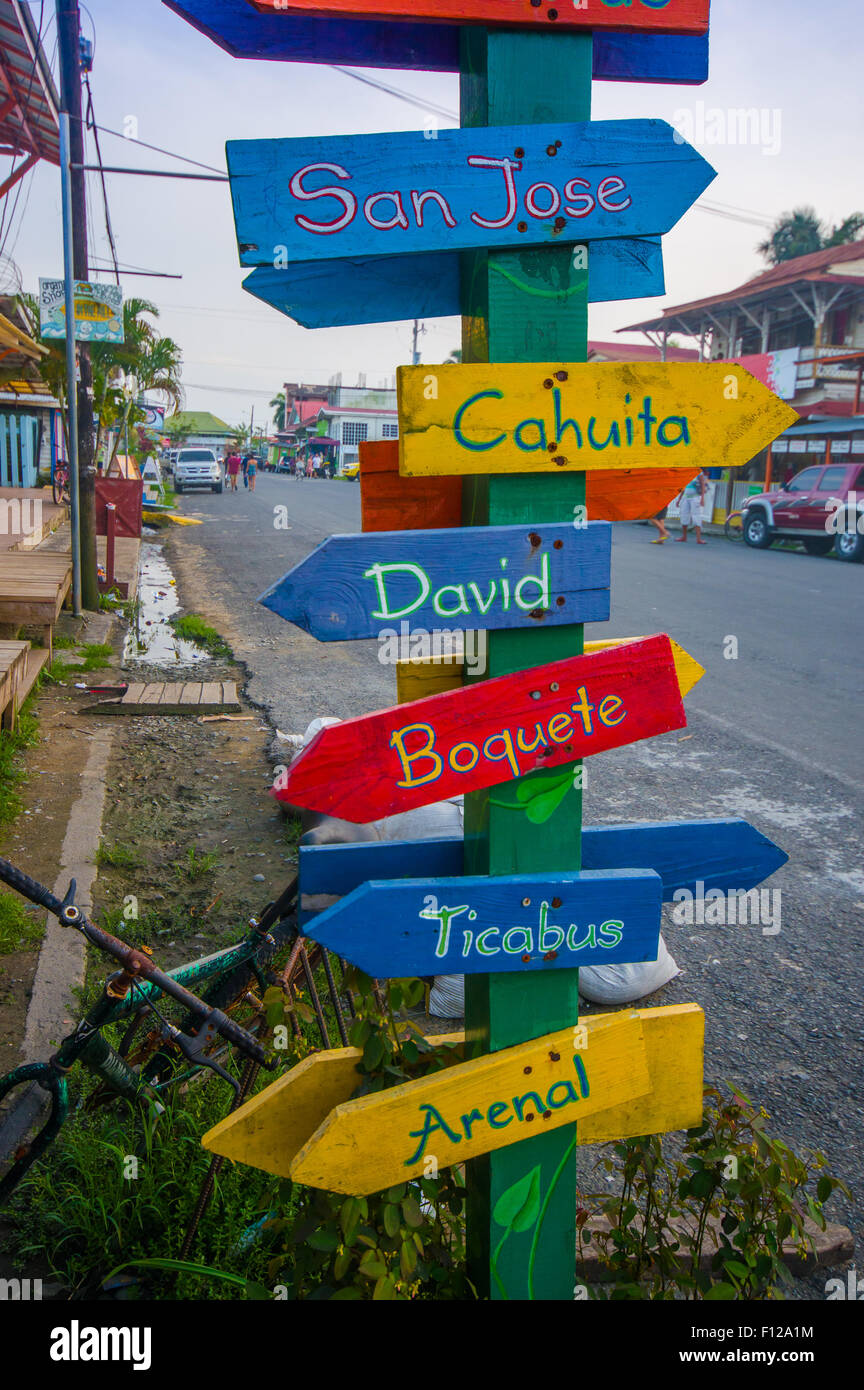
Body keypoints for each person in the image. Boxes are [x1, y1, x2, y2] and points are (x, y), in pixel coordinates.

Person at [676, 470, 708, 544]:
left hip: (695, 497)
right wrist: (679, 499)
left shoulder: (699, 473)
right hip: (686, 497)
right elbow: (683, 488)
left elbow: (703, 485)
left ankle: (698, 539)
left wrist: (702, 498)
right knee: (684, 516)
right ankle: (684, 536)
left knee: (697, 517)